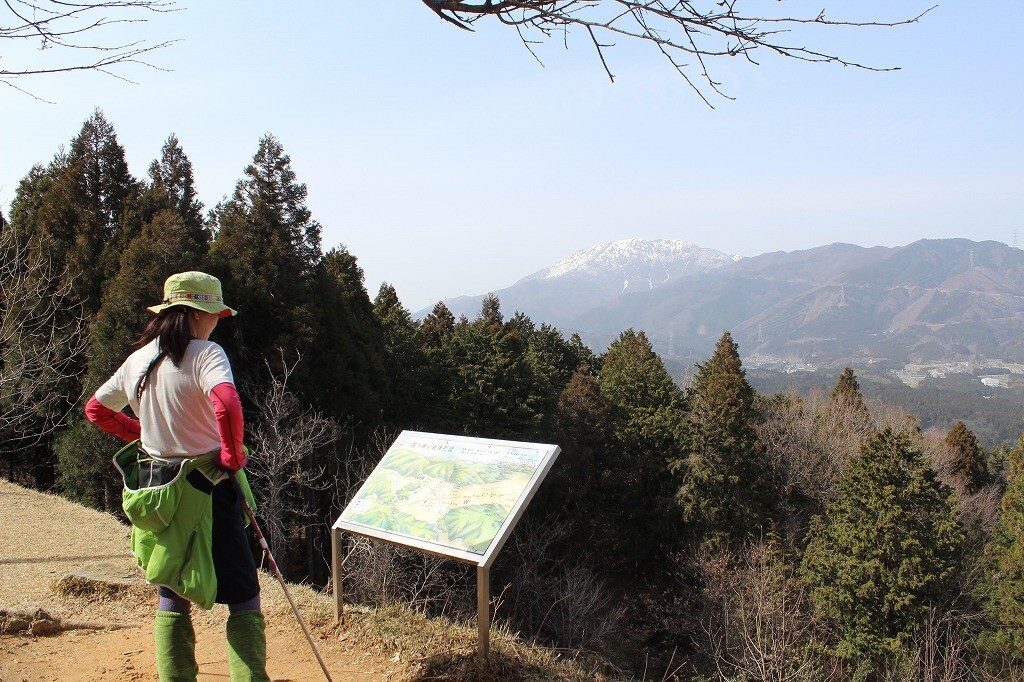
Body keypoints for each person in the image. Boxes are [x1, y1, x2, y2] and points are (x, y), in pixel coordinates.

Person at [85, 271, 269, 682]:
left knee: (171, 587)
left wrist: (139, 432)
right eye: (216, 314)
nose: (218, 321)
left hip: (156, 488)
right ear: (199, 313)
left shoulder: (139, 360)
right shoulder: (206, 354)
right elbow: (226, 401)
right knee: (243, 593)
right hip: (209, 487)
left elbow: (96, 409)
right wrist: (232, 453)